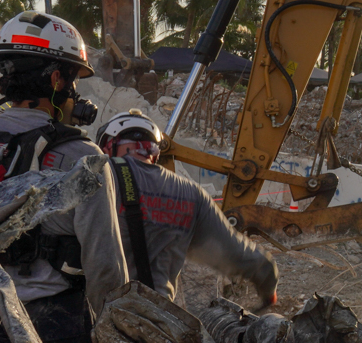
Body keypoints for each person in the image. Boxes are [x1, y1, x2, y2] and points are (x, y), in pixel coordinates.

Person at [0, 12, 128, 343]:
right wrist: (115, 342)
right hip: (54, 334)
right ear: (55, 80)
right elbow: (105, 266)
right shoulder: (81, 158)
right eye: (74, 81)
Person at [95, 109, 279, 306]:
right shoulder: (191, 194)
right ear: (154, 153)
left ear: (108, 148)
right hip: (158, 320)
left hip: (99, 317)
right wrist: (268, 288)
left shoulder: (96, 179)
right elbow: (238, 255)